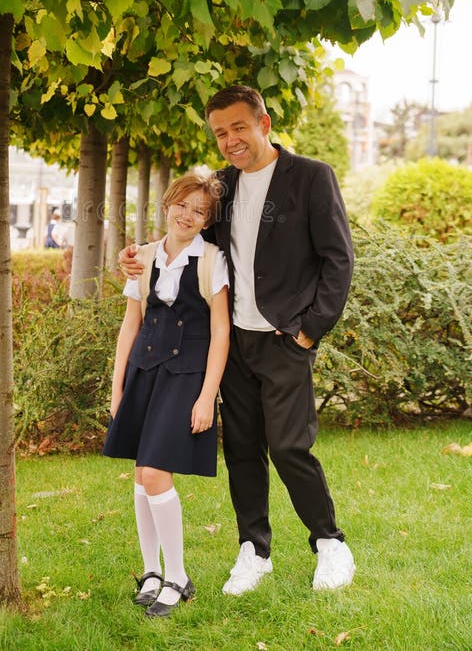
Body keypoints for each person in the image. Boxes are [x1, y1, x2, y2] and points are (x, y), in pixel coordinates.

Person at [120, 85, 355, 596]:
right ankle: (254, 550)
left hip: (284, 338)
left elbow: (339, 260)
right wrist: (136, 256)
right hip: (230, 346)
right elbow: (185, 238)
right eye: (220, 133)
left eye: (238, 128)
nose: (230, 140)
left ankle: (330, 543)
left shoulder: (311, 178)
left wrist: (309, 330)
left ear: (264, 124)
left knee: (290, 446)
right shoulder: (221, 187)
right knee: (243, 449)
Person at [103, 173, 230, 617]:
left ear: (207, 221)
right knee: (141, 474)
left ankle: (177, 575)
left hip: (186, 377)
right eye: (182, 206)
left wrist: (207, 394)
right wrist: (117, 388)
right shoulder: (142, 256)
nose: (188, 216)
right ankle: (151, 570)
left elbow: (220, 331)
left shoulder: (213, 260)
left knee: (156, 472)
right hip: (143, 371)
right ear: (167, 204)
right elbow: (130, 325)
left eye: (199, 212)